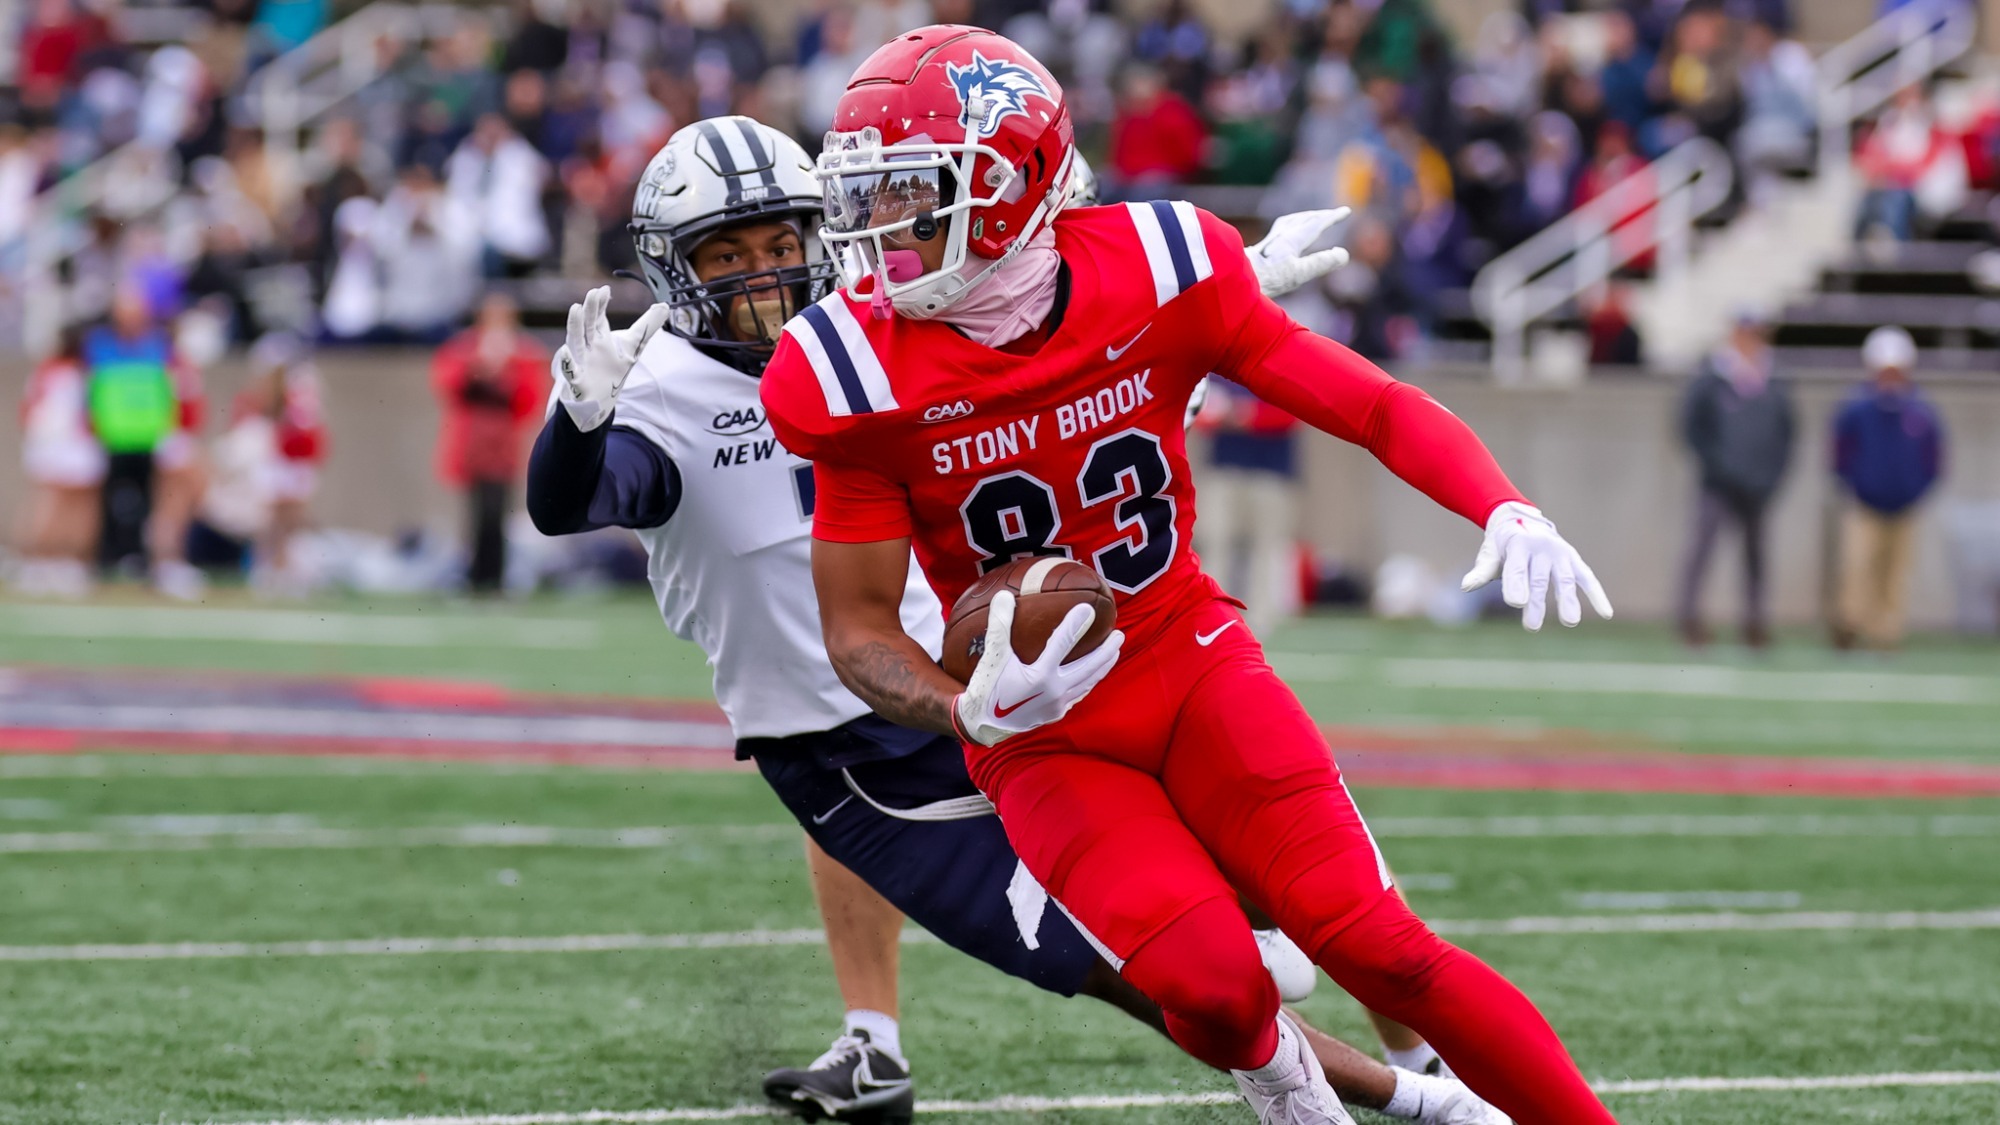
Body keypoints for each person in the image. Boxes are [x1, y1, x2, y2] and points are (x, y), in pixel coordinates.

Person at [526, 117, 1503, 1125]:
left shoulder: (882, 326)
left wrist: (1226, 289)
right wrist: (578, 419)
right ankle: (1417, 1103)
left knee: (1286, 877)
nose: (763, 274)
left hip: (1006, 675)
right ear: (673, 267)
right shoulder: (664, 392)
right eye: (725, 255)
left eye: (781, 245)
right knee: (1126, 965)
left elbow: (1054, 345)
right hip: (853, 736)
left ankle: (1432, 1058)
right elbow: (574, 502)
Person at [763, 27, 1615, 1125]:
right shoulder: (849, 369)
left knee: (1375, 946)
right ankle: (1276, 1073)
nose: (878, 231)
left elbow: (1367, 402)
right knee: (1212, 992)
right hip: (1043, 731)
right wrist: (963, 706)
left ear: (1012, 181)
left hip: (1189, 657)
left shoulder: (1159, 269)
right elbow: (859, 629)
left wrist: (1499, 501)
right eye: (865, 198)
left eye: (913, 195)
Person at [1677, 309, 1793, 648]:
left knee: (1756, 557)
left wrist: (1771, 475)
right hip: (1718, 482)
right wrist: (1716, 465)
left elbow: (1786, 434)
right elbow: (1691, 426)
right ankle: (1690, 616)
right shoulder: (1712, 378)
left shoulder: (1774, 381)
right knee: (1702, 550)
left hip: (1758, 485)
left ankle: (1755, 622)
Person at [1832, 326, 1943, 650]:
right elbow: (1840, 452)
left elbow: (1934, 457)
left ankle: (1887, 633)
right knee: (1858, 567)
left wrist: (1917, 489)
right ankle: (1851, 624)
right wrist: (1853, 485)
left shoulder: (1921, 410)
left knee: (1895, 575)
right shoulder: (1857, 407)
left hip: (1905, 505)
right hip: (1865, 503)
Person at [433, 292, 547, 593]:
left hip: (503, 445)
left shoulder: (524, 353)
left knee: (498, 510)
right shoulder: (465, 349)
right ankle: (474, 575)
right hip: (472, 442)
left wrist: (503, 373)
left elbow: (529, 399)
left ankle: (494, 576)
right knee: (475, 512)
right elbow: (449, 385)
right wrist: (481, 366)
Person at [1193, 378, 1302, 638]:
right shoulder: (1218, 366)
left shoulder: (1281, 362)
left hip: (1271, 469)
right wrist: (1219, 416)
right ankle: (1211, 612)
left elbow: (1294, 411)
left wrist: (1246, 416)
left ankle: (1261, 617)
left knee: (1266, 545)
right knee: (1216, 541)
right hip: (1225, 466)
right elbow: (1198, 413)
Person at [13, 325, 103, 597]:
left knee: (64, 506)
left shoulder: (49, 370)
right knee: (59, 506)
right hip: (68, 445)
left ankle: (59, 562)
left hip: (60, 446)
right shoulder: (76, 373)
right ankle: (42, 560)